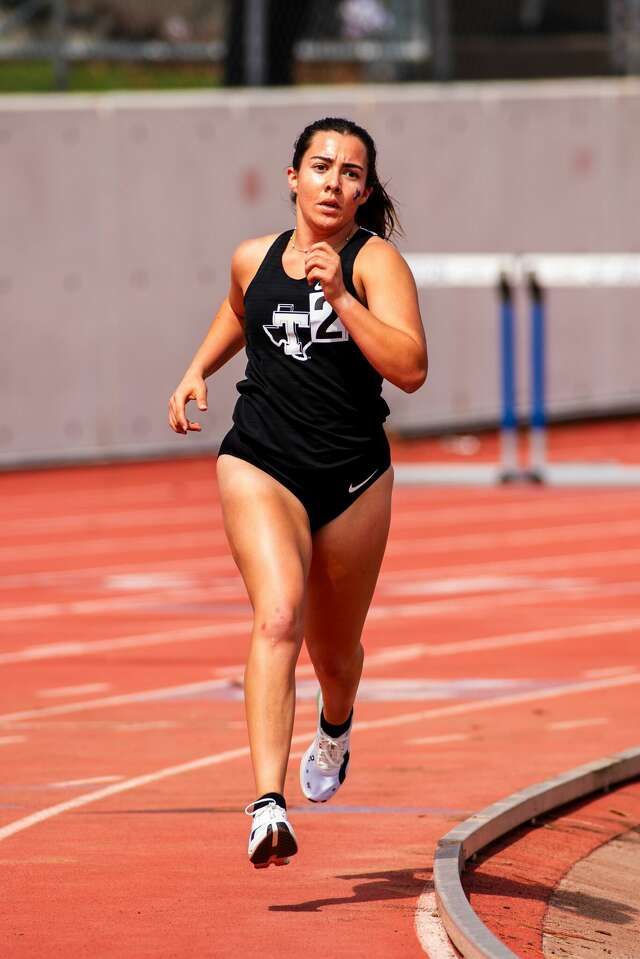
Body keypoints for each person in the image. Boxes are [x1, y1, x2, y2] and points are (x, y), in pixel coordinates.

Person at [168, 117, 427, 869]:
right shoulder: (254, 256)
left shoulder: (376, 263)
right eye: (321, 166)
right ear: (293, 177)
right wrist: (196, 369)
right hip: (262, 459)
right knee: (278, 612)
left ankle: (336, 724)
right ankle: (265, 802)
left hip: (352, 476)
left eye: (351, 172)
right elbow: (237, 309)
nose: (334, 181)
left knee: (335, 654)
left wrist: (344, 298)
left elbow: (410, 367)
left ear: (364, 191)